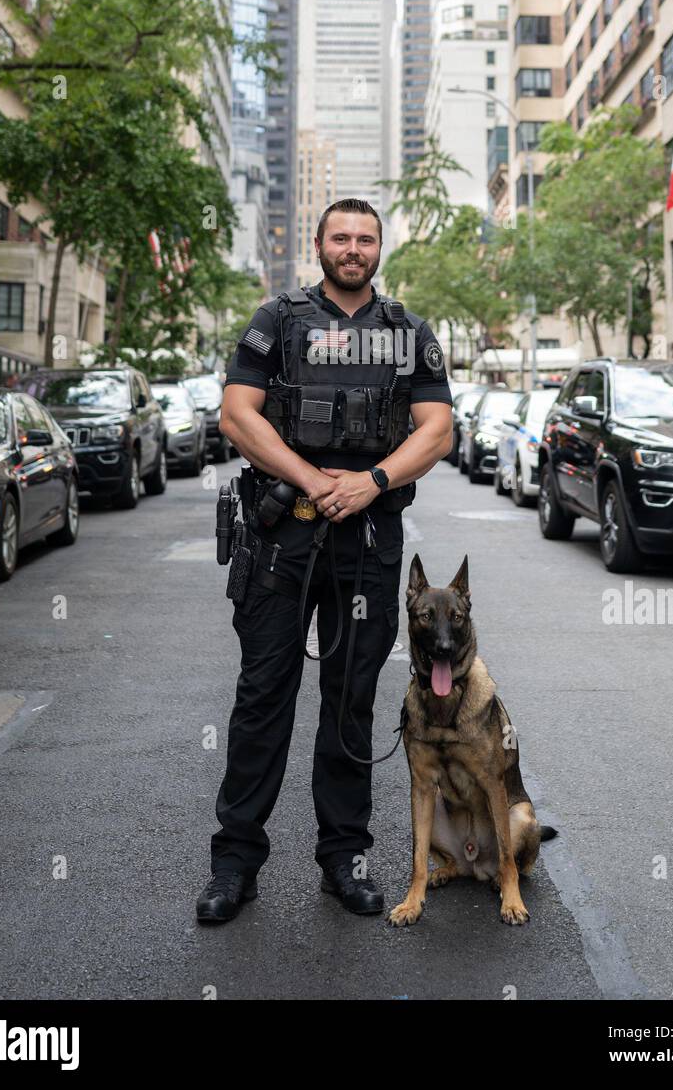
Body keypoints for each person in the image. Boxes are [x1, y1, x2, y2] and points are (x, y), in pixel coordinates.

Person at [196, 198, 453, 924]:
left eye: (364, 238)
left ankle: (346, 860)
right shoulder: (277, 322)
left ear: (379, 248)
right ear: (318, 244)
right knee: (261, 699)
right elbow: (237, 414)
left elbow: (437, 430)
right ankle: (234, 865)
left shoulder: (409, 333)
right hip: (282, 536)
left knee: (352, 702)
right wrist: (314, 481)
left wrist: (371, 481)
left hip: (367, 543)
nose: (352, 247)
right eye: (340, 236)